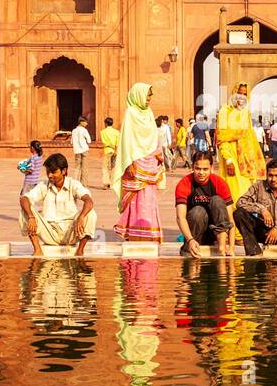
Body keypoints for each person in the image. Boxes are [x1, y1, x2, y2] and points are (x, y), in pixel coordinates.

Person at [113, 82, 165, 243]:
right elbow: (126, 140)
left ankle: (148, 233)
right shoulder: (131, 113)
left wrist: (158, 154)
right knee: (135, 200)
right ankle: (135, 233)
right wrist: (129, 163)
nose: (149, 99)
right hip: (135, 162)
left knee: (149, 199)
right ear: (138, 96)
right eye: (147, 96)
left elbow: (154, 136)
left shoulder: (148, 112)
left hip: (150, 161)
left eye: (150, 96)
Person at [20, 152, 97, 256]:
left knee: (90, 213)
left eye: (53, 172)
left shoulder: (73, 184)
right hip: (49, 233)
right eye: (48, 172)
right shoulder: (44, 185)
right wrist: (31, 216)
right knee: (24, 210)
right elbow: (24, 199)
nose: (50, 175)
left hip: (71, 232)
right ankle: (37, 250)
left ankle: (80, 250)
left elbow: (88, 201)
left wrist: (81, 216)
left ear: (64, 171)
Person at [175, 152, 234, 256]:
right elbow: (180, 217)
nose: (201, 173)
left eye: (205, 169)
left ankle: (221, 246)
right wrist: (190, 240)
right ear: (192, 167)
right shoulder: (184, 183)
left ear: (211, 168)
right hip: (194, 232)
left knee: (217, 200)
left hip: (215, 234)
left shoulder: (220, 183)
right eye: (198, 169)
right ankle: (189, 249)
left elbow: (230, 219)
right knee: (198, 211)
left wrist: (232, 247)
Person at [216, 83, 266, 204]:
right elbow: (222, 138)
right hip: (231, 155)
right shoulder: (225, 111)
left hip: (245, 159)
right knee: (235, 191)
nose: (242, 97)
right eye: (239, 93)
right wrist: (228, 160)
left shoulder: (245, 113)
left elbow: (249, 137)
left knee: (247, 190)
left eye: (245, 94)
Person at [100, 116, 120, 188]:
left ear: (106, 123)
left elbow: (104, 143)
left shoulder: (103, 132)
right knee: (113, 167)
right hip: (115, 151)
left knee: (104, 167)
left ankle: (106, 183)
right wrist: (116, 150)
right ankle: (112, 184)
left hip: (107, 150)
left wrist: (111, 146)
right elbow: (118, 143)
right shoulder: (117, 132)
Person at [71, 116, 91, 184]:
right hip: (84, 150)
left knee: (77, 167)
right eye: (85, 122)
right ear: (81, 122)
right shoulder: (84, 130)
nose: (86, 124)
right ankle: (84, 183)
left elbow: (71, 142)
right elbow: (89, 140)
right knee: (84, 168)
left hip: (77, 151)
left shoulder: (74, 131)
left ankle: (74, 183)